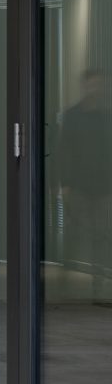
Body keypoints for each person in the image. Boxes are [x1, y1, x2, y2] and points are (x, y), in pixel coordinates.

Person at [56, 66, 112, 297]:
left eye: (98, 83)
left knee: (102, 232)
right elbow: (64, 151)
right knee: (76, 230)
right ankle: (66, 277)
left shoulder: (106, 117)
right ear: (84, 85)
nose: (95, 88)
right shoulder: (72, 116)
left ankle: (98, 280)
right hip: (78, 184)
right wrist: (65, 183)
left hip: (103, 185)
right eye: (91, 83)